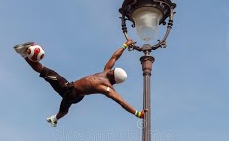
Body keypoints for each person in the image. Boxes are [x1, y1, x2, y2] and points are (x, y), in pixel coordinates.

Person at [13, 40, 147, 127]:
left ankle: (23, 54)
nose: (111, 69)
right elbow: (114, 57)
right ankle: (54, 119)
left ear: (113, 77)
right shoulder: (106, 71)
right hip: (73, 90)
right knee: (64, 109)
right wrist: (125, 45)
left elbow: (121, 101)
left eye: (113, 71)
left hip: (70, 92)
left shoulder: (106, 87)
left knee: (45, 72)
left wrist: (137, 114)